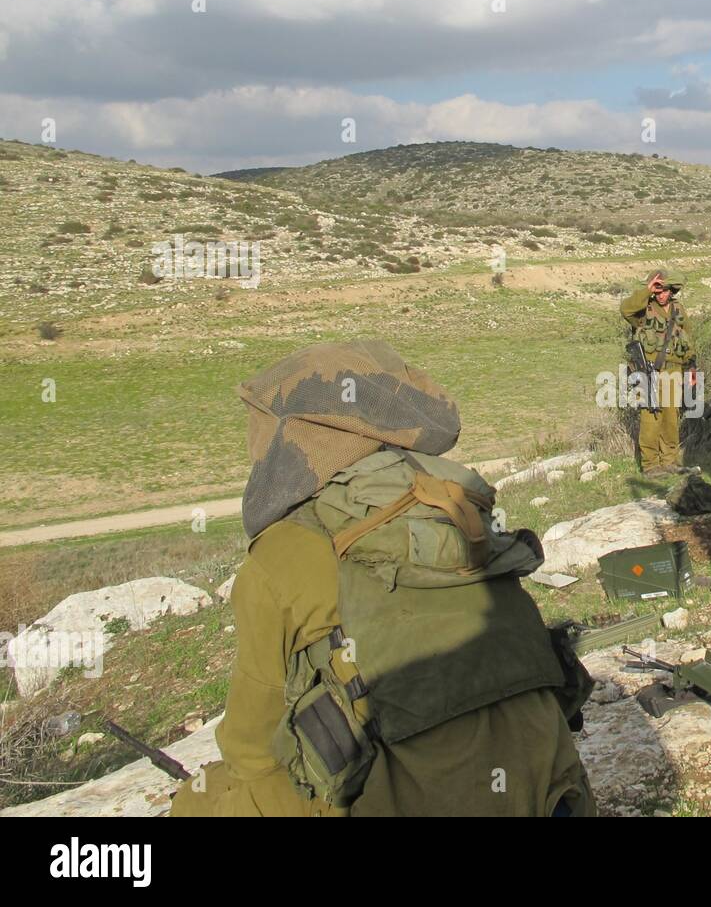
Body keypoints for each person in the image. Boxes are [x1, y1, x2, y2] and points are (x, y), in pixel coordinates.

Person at [170, 341, 595, 816]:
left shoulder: (282, 553)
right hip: (557, 794)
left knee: (202, 800)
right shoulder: (454, 499)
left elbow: (251, 754)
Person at [621, 269, 697, 477]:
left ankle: (670, 460)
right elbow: (625, 310)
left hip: (674, 370)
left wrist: (691, 367)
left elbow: (688, 338)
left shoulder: (678, 309)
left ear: (671, 290)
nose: (661, 294)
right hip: (649, 371)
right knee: (651, 418)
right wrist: (647, 290)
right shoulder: (643, 309)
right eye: (657, 290)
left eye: (664, 290)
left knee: (671, 418)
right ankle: (651, 464)